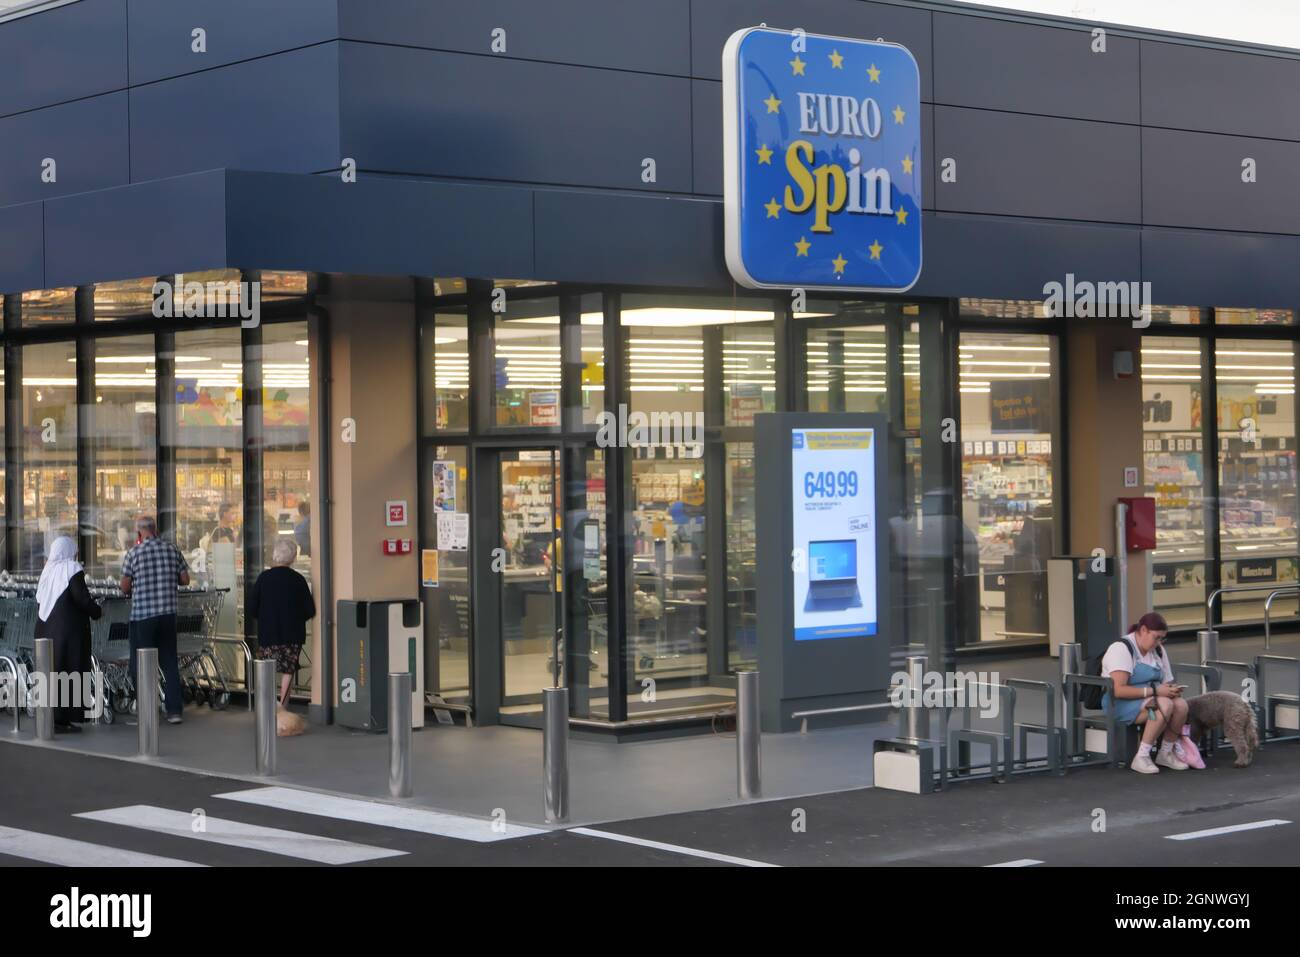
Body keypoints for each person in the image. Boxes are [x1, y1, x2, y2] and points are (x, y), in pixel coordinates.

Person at [120, 516, 190, 724]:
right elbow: (185, 579)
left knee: (142, 664)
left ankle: (147, 708)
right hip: (168, 614)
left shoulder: (134, 553)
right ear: (156, 530)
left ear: (139, 533)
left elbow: (124, 586)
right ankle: (174, 711)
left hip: (143, 616)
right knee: (169, 662)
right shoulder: (172, 549)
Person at [1100, 611, 1190, 774]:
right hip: (1119, 703)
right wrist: (1156, 691)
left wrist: (1172, 690)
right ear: (1143, 630)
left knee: (1181, 705)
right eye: (1156, 637)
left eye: (1162, 638)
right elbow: (1118, 690)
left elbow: (1167, 682)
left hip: (1150, 698)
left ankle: (1166, 752)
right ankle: (1141, 756)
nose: (1159, 642)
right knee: (1163, 704)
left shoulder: (1159, 650)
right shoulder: (1121, 649)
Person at [34, 536, 101, 733]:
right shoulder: (72, 568)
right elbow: (81, 598)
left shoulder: (47, 571)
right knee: (70, 673)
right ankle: (63, 720)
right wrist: (97, 611)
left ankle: (53, 718)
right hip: (68, 633)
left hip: (45, 630)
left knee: (53, 674)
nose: (76, 554)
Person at [247, 538, 316, 707]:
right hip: (292, 635)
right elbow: (310, 610)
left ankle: (268, 706)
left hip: (268, 633)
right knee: (288, 670)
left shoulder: (264, 578)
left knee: (268, 670)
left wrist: (265, 618)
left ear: (275, 555)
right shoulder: (298, 579)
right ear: (293, 557)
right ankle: (283, 707)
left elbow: (252, 608)